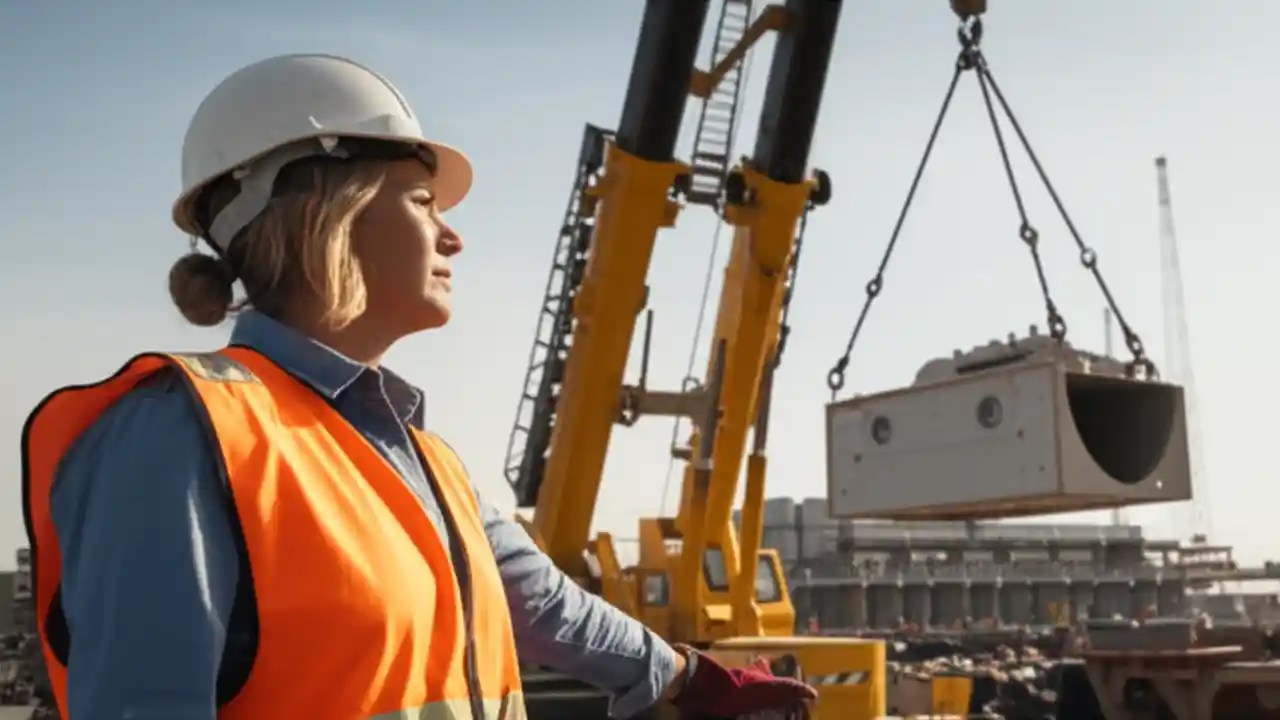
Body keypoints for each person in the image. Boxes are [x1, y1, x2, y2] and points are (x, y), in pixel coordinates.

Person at [20, 54, 818, 720]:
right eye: (422, 200)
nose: (452, 234)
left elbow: (540, 607)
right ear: (327, 212)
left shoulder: (420, 455)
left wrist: (687, 675)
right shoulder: (177, 439)